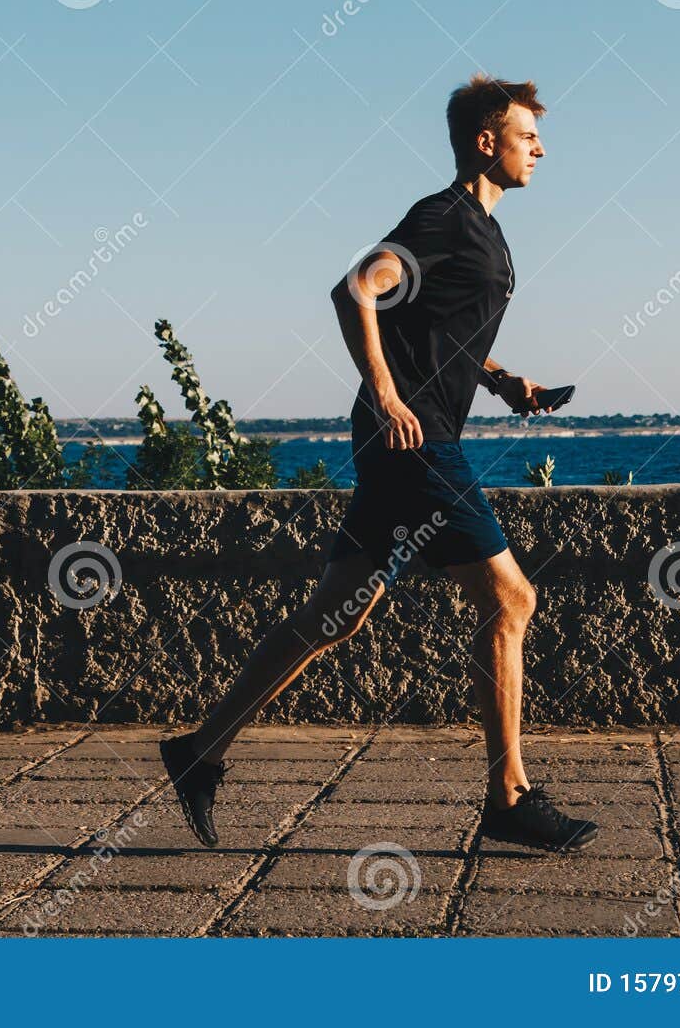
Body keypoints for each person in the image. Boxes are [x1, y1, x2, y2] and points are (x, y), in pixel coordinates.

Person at [160, 74, 598, 853]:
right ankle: (508, 795)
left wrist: (500, 378)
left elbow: (433, 319)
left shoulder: (481, 230)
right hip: (415, 438)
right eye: (528, 135)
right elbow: (354, 288)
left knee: (341, 608)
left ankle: (199, 751)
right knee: (512, 600)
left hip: (403, 436)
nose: (542, 148)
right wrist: (390, 396)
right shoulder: (443, 217)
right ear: (485, 140)